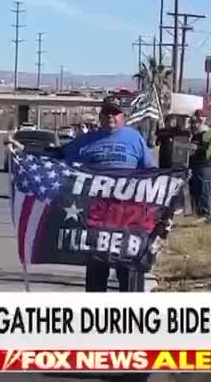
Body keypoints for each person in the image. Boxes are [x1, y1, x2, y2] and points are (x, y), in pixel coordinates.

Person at [52, 97, 158, 293]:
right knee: (96, 264)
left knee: (127, 266)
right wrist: (23, 150)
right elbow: (57, 156)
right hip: (96, 215)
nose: (110, 116)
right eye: (107, 112)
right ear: (100, 116)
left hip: (129, 215)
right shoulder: (85, 141)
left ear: (122, 116)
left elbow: (151, 173)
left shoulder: (135, 139)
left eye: (115, 112)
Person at [188, 111, 211, 217]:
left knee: (204, 190)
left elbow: (209, 150)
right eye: (193, 122)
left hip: (204, 165)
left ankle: (205, 212)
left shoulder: (206, 134)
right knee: (195, 189)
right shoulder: (194, 135)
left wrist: (197, 148)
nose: (194, 124)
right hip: (194, 165)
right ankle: (197, 212)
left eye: (196, 121)